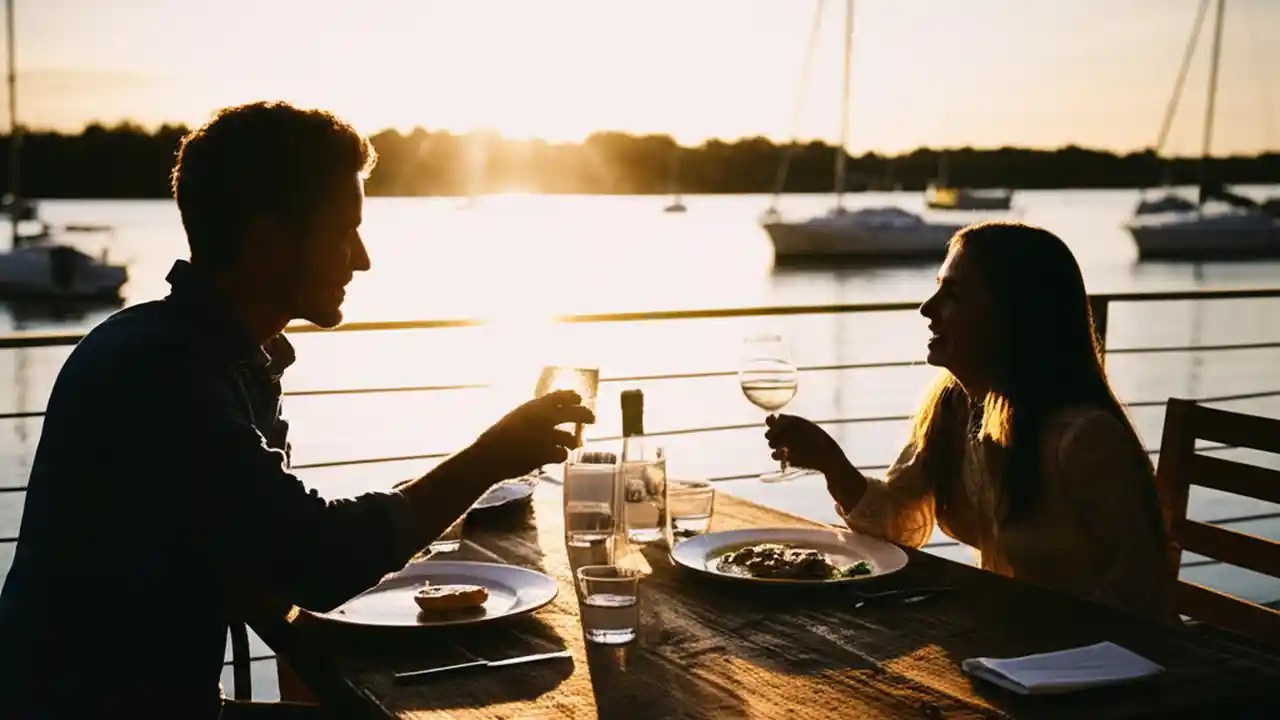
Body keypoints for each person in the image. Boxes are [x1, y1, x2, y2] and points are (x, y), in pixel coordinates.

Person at [0, 101, 593, 718]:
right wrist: (489, 458)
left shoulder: (226, 358)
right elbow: (312, 560)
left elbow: (273, 552)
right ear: (267, 241)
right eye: (343, 231)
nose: (361, 259)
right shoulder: (157, 373)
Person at [765, 221, 1174, 622]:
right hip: (1003, 638)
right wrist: (832, 465)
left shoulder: (1083, 438)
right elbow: (903, 525)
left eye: (953, 294)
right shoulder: (956, 406)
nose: (927, 309)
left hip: (1088, 662)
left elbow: (1138, 600)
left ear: (1015, 313)